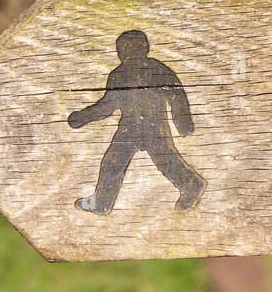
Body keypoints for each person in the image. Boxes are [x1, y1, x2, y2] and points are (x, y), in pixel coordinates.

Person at [67, 29, 205, 214]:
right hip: (131, 128)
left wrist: (184, 124)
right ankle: (102, 202)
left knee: (165, 161)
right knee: (113, 162)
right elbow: (108, 106)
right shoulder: (122, 74)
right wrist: (82, 117)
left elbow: (176, 95)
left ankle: (193, 185)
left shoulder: (151, 70)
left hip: (152, 126)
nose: (126, 52)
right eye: (124, 48)